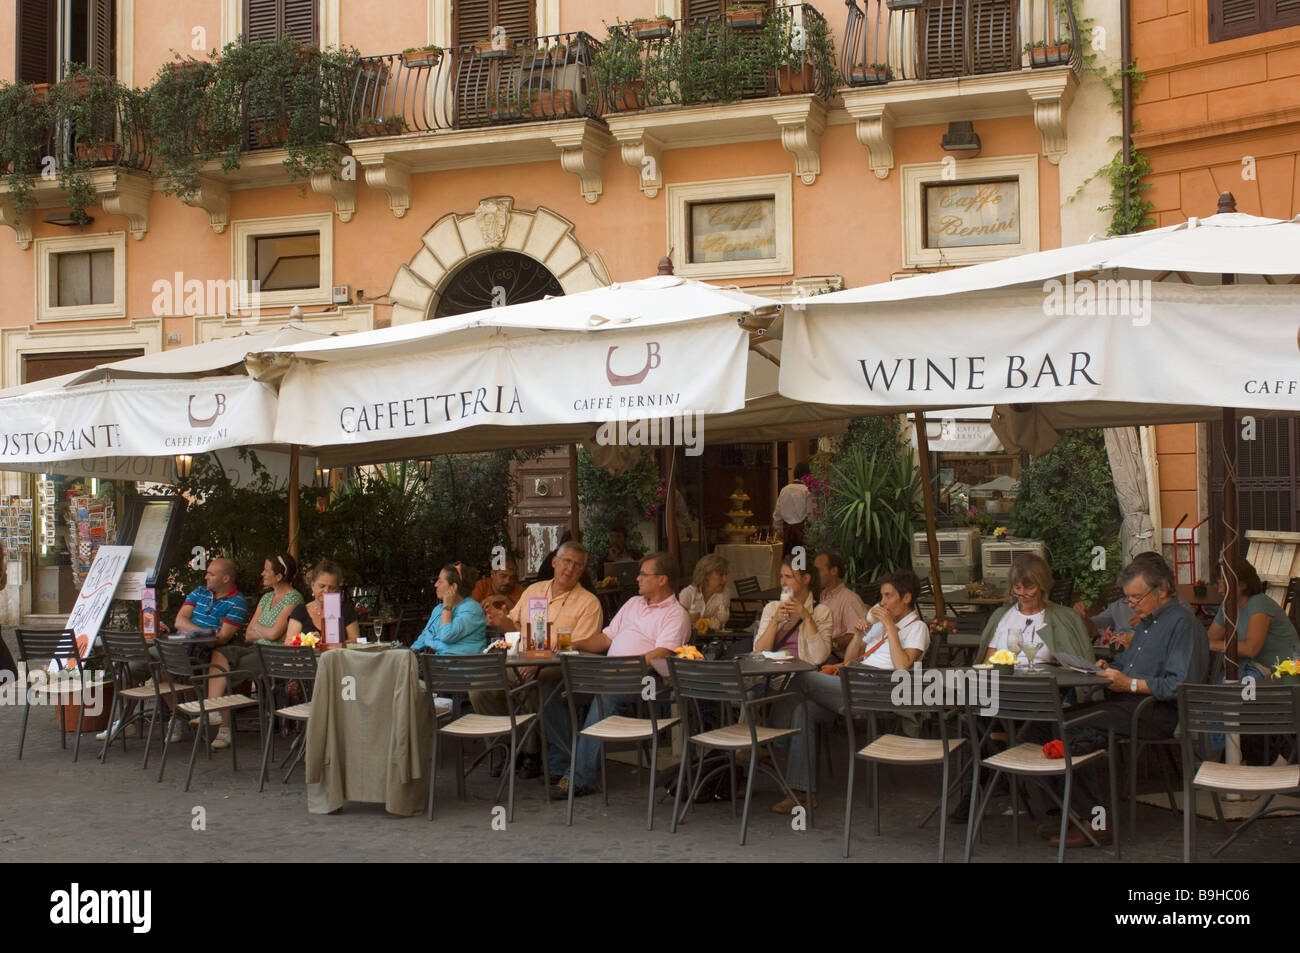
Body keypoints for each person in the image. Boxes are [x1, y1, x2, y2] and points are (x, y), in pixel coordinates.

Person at [1049, 556, 1206, 847]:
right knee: (1054, 718)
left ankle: (1096, 821)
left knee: (1071, 727)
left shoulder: (1182, 624)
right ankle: (1074, 812)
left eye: (1136, 598)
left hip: (1160, 711)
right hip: (1130, 703)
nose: (1131, 605)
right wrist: (1106, 668)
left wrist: (1128, 683)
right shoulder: (1148, 623)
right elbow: (1129, 664)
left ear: (1161, 591)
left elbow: (1180, 685)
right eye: (1128, 599)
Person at [771, 568, 930, 813]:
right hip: (854, 682)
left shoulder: (917, 628)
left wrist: (889, 626)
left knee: (801, 677)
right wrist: (858, 635)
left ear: (906, 597)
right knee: (804, 710)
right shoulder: (879, 624)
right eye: (881, 597)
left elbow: (902, 667)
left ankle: (771, 745)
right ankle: (801, 793)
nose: (882, 602)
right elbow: (850, 658)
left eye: (888, 596)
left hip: (879, 691)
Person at [544, 552, 691, 797]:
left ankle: (579, 778)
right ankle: (566, 764)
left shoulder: (676, 614)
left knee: (607, 695)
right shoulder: (633, 603)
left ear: (662, 580)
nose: (638, 578)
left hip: (647, 682)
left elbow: (660, 654)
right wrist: (574, 645)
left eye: (644, 574)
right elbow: (605, 638)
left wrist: (620, 669)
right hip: (610, 674)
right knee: (549, 687)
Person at [476, 540, 603, 779]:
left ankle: (549, 757)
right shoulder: (534, 591)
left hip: (561, 667)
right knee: (481, 686)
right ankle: (510, 748)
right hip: (521, 661)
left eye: (577, 566)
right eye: (566, 562)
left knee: (539, 681)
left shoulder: (588, 602)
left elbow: (581, 649)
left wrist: (541, 661)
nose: (570, 569)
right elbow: (512, 627)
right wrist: (501, 620)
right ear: (554, 562)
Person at [204, 552, 303, 749]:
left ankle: (224, 728)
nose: (262, 573)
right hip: (255, 648)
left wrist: (263, 630)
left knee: (227, 671)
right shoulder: (267, 598)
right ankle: (212, 708)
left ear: (279, 576)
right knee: (221, 653)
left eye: (266, 570)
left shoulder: (294, 597)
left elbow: (275, 635)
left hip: (275, 655)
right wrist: (265, 632)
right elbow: (248, 633)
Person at [978, 553, 1093, 666]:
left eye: (1029, 588)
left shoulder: (1062, 617)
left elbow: (1074, 666)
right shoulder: (1001, 616)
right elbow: (988, 662)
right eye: (1017, 587)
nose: (1022, 593)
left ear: (1042, 586)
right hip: (1006, 681)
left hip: (1043, 681)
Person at [1207, 557, 1300, 680]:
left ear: (1243, 584)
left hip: (1283, 672)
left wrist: (1210, 644)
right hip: (1253, 668)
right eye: (1218, 584)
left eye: (1225, 585)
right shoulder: (1228, 605)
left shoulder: (1259, 603)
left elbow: (1250, 649)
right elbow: (1210, 638)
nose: (1220, 590)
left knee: (1227, 692)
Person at [1073, 551, 1189, 644]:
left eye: (1137, 596)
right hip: (1120, 662)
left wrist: (1150, 625)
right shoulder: (1120, 606)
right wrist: (1080, 618)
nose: (1131, 603)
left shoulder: (1180, 609)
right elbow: (1093, 629)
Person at [754, 554, 832, 665]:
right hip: (772, 674)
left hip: (802, 675)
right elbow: (759, 653)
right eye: (781, 576)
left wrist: (808, 618)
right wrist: (775, 621)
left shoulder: (822, 612)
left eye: (788, 577)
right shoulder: (771, 609)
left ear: (806, 579)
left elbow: (819, 658)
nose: (782, 583)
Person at [174, 557, 250, 650]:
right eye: (207, 573)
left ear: (225, 579)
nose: (206, 577)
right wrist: (205, 634)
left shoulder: (237, 602)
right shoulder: (200, 591)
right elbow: (179, 621)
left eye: (211, 574)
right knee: (152, 653)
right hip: (176, 644)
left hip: (199, 654)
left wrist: (189, 631)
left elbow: (222, 638)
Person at [412, 564, 488, 655]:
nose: (436, 585)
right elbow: (424, 636)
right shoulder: (438, 609)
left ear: (453, 587)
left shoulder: (472, 609)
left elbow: (446, 635)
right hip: (433, 664)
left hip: (459, 666)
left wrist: (447, 607)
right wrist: (410, 654)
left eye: (440, 581)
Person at [285, 559, 362, 647]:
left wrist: (340, 644)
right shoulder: (300, 611)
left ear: (337, 589)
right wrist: (308, 640)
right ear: (312, 585)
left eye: (331, 588)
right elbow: (289, 642)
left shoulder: (346, 610)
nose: (326, 591)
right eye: (322, 586)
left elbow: (356, 640)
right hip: (309, 660)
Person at [814, 551, 867, 661]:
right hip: (817, 652)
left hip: (835, 659)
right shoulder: (821, 596)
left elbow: (858, 634)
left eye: (818, 570)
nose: (814, 575)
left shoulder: (849, 599)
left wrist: (831, 643)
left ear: (834, 571)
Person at [678, 554, 730, 632]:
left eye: (726, 575)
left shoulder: (725, 593)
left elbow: (717, 623)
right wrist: (708, 621)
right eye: (721, 575)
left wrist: (697, 622)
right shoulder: (688, 594)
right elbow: (679, 622)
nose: (725, 580)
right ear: (706, 575)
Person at [772, 461, 812, 555]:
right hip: (802, 535)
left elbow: (777, 515)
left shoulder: (784, 490)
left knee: (788, 564)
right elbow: (811, 515)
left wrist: (779, 531)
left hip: (787, 535)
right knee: (801, 566)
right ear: (807, 475)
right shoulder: (807, 491)